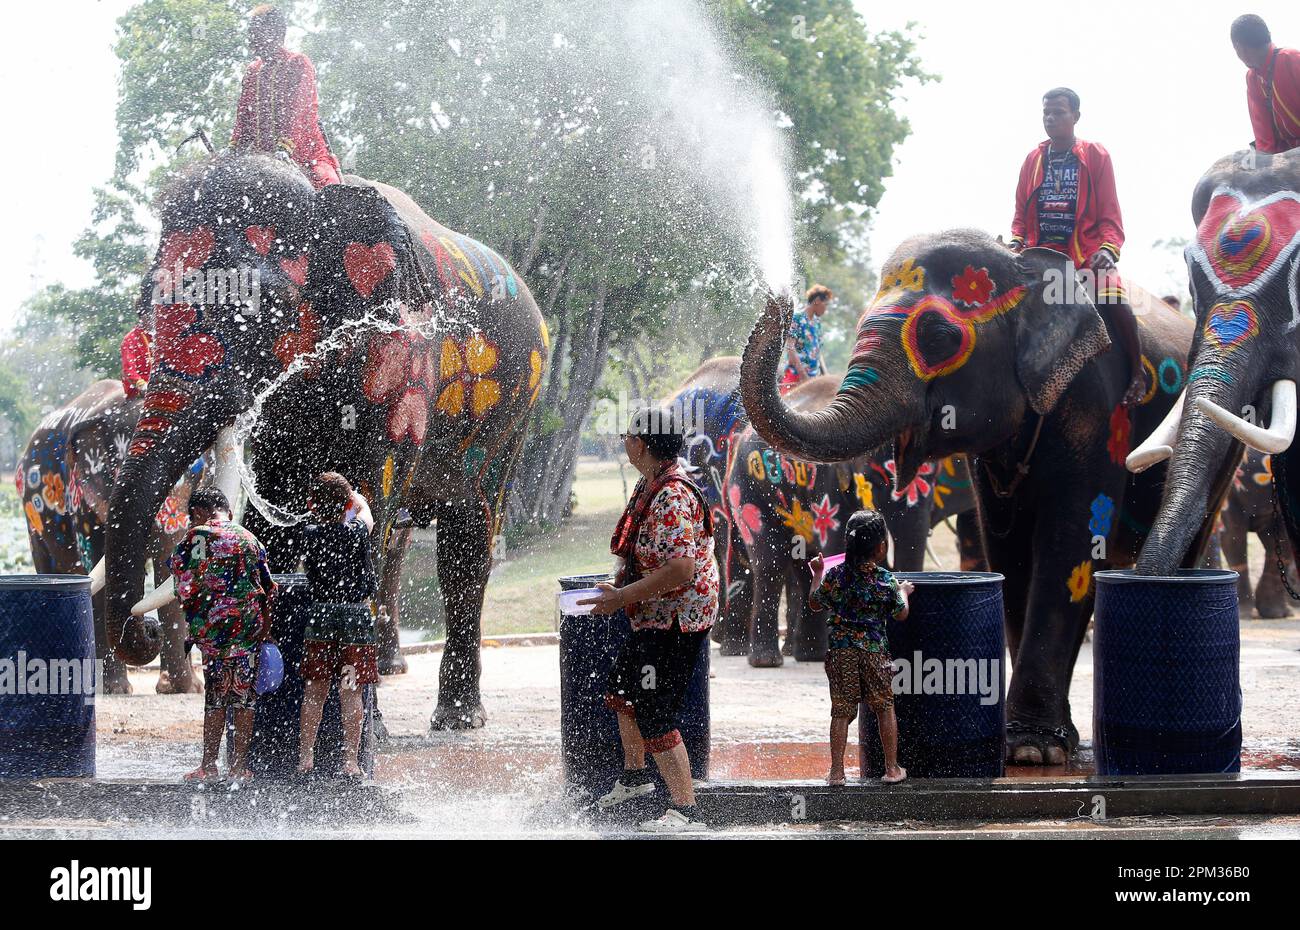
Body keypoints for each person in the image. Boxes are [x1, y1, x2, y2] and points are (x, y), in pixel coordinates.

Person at [579, 406, 720, 833]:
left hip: (677, 619)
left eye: (626, 435)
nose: (623, 441)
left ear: (640, 444)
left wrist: (621, 596)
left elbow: (681, 569)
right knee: (623, 691)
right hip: (654, 614)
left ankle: (686, 810)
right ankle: (636, 778)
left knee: (656, 713)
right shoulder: (651, 483)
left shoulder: (672, 495)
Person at [1009, 87, 1142, 403]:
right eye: (1046, 113)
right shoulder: (1033, 159)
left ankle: (1138, 372)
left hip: (1084, 256)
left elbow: (1110, 213)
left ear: (1076, 117)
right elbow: (1019, 214)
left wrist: (1108, 249)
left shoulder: (1095, 155)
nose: (1051, 118)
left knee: (1113, 300)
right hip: (1039, 256)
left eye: (1058, 112)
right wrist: (1015, 242)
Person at [165, 487, 275, 783]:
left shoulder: (199, 535)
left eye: (192, 516)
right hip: (247, 631)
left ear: (200, 512)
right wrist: (266, 631)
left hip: (214, 634)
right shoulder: (249, 538)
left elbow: (184, 577)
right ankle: (239, 768)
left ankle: (209, 766)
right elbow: (268, 587)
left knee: (216, 697)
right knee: (243, 697)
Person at [808, 510, 912, 787]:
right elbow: (901, 613)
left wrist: (817, 573)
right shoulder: (885, 580)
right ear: (880, 548)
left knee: (841, 710)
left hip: (841, 652)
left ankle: (837, 772)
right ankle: (891, 769)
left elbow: (815, 602)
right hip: (874, 653)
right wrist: (903, 591)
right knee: (884, 707)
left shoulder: (835, 575)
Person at [297, 472, 379, 779]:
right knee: (350, 690)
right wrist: (358, 501)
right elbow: (365, 514)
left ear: (311, 505)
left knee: (315, 691)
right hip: (354, 620)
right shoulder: (357, 530)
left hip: (321, 616)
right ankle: (350, 760)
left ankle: (306, 756)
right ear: (347, 503)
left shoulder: (310, 532)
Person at [231, 5, 342, 189]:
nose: (251, 39)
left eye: (256, 32)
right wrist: (233, 147)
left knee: (331, 188)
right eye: (251, 32)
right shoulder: (252, 71)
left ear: (276, 33)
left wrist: (285, 148)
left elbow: (300, 111)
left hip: (307, 156)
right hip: (261, 160)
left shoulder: (297, 63)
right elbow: (243, 117)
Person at [1232, 14, 1300, 155]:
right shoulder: (1253, 78)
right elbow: (1265, 143)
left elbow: (1264, 139)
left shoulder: (1290, 59)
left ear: (1239, 48)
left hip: (1290, 157)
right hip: (1287, 156)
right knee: (1246, 161)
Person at [780, 284, 832, 392]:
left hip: (813, 378)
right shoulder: (797, 318)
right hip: (796, 376)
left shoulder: (817, 323)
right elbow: (790, 348)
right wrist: (803, 375)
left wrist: (826, 376)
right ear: (817, 301)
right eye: (825, 304)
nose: (826, 309)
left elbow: (817, 352)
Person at [120, 322, 152, 399]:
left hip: (160, 385)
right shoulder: (129, 340)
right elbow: (128, 370)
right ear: (143, 317)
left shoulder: (160, 335)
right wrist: (142, 385)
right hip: (139, 389)